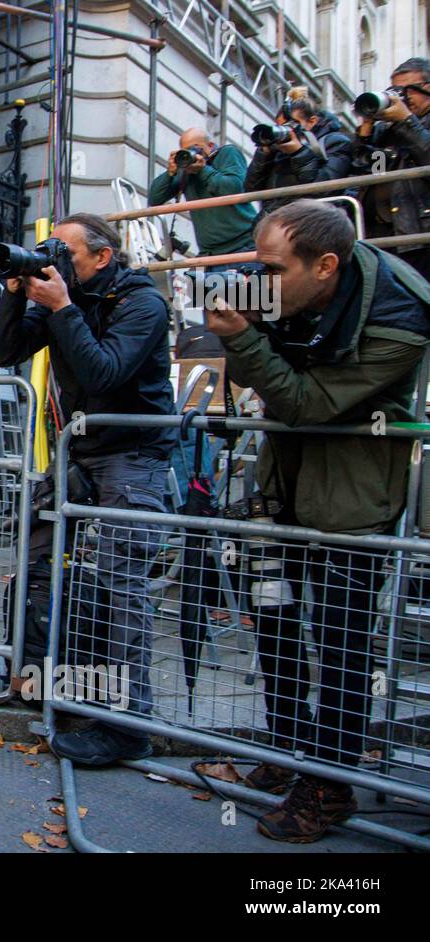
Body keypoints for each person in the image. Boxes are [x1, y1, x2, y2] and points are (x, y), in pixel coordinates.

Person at [206, 199, 430, 843]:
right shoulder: (285, 292)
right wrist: (252, 327)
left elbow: (306, 403)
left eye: (271, 269)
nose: (259, 279)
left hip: (353, 498)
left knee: (339, 642)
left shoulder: (401, 314)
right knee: (273, 617)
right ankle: (284, 754)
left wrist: (244, 336)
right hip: (284, 482)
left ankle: (329, 786)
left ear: (325, 266)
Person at [0, 212, 177, 765]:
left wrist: (61, 308)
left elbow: (102, 373)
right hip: (81, 452)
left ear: (103, 256)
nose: (54, 258)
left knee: (123, 583)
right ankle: (40, 678)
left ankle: (125, 724)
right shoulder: (62, 296)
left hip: (132, 455)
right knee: (38, 555)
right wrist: (15, 294)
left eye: (65, 251)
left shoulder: (142, 304)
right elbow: (4, 354)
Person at [351, 57, 430, 277]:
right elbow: (369, 171)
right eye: (397, 90)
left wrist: (406, 120)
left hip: (418, 236)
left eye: (409, 89)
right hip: (381, 235)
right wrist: (366, 132)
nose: (403, 97)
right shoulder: (386, 131)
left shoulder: (410, 124)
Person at [148, 127, 257, 259]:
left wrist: (203, 170)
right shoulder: (186, 170)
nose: (190, 154)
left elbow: (233, 189)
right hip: (209, 253)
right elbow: (154, 199)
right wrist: (170, 173)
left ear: (210, 146)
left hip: (244, 246)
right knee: (193, 279)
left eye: (195, 148)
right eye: (186, 150)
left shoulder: (227, 153)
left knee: (258, 280)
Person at [245, 87, 353, 218]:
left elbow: (324, 189)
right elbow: (251, 189)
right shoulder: (278, 148)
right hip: (275, 223)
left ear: (312, 121)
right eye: (280, 126)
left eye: (291, 124)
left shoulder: (335, 142)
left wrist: (298, 153)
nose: (285, 130)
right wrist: (264, 153)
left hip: (312, 224)